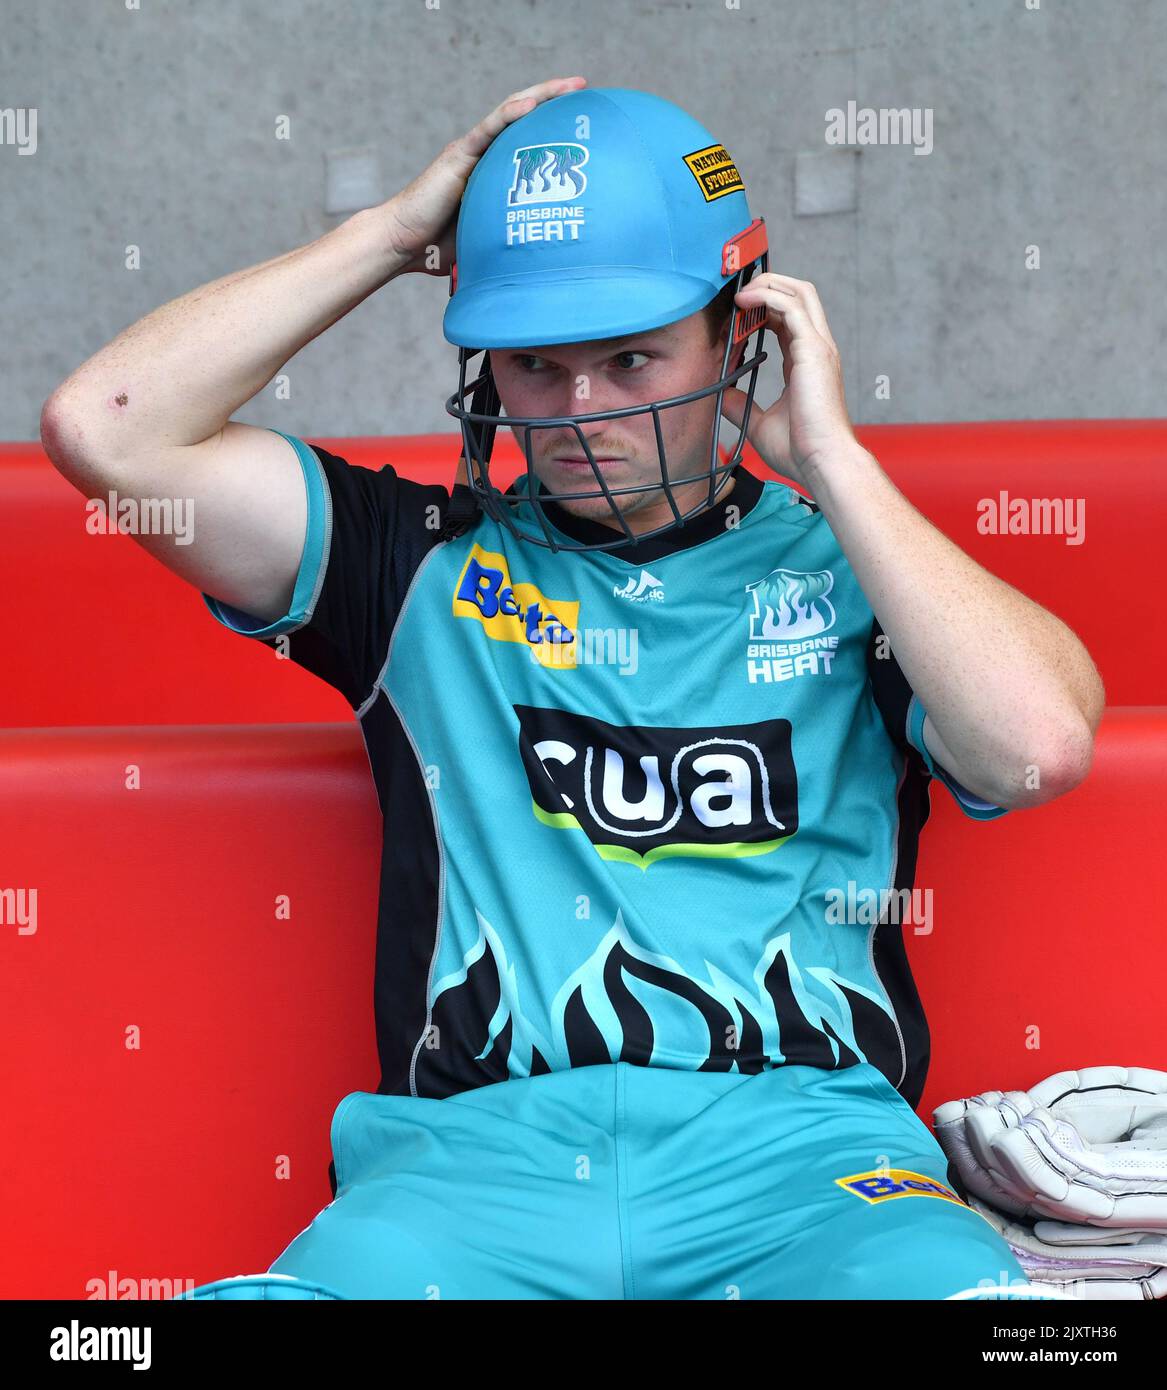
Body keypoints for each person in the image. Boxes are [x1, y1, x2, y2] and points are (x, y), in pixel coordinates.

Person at [40, 78, 1104, 1300]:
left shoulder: (859, 571)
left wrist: (834, 461)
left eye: (632, 357)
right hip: (469, 1177)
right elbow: (105, 430)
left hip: (810, 1167)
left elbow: (1040, 745)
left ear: (740, 336)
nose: (581, 411)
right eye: (537, 366)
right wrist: (393, 236)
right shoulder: (413, 563)